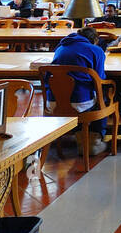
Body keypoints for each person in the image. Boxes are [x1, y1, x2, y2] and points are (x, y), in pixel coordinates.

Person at [43, 26, 110, 156]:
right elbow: (100, 79)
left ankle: (78, 133)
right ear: (95, 40)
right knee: (103, 97)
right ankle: (94, 139)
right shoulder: (96, 50)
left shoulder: (61, 47)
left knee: (83, 93)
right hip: (79, 102)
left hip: (53, 101)